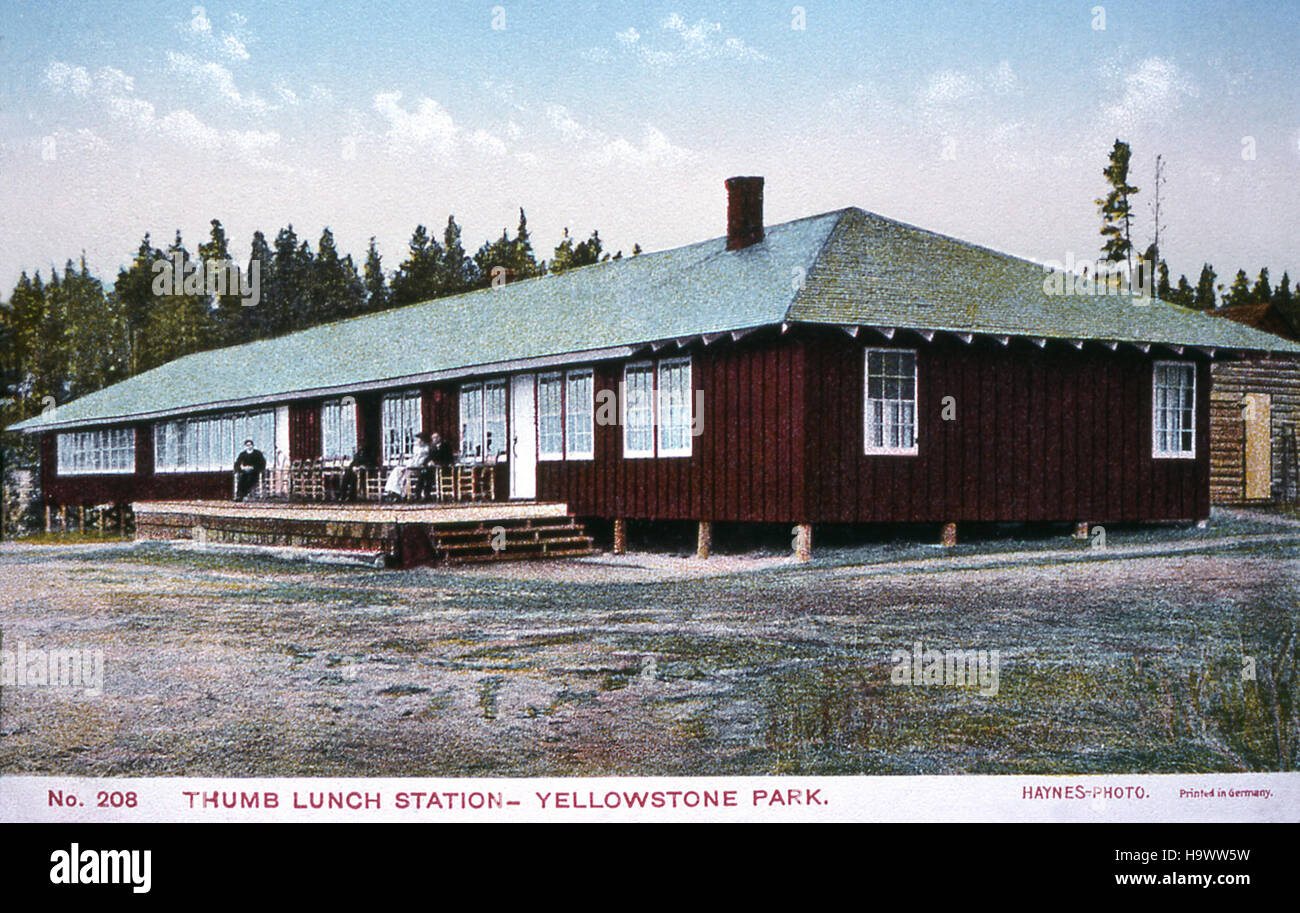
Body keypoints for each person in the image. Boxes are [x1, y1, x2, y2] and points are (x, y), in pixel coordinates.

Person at [383, 432, 432, 500]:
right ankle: (392, 490)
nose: (418, 441)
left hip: (417, 468)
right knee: (397, 471)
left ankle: (398, 492)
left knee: (401, 474)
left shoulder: (425, 449)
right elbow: (414, 458)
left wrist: (410, 465)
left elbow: (420, 461)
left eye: (419, 439)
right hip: (412, 466)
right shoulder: (417, 448)